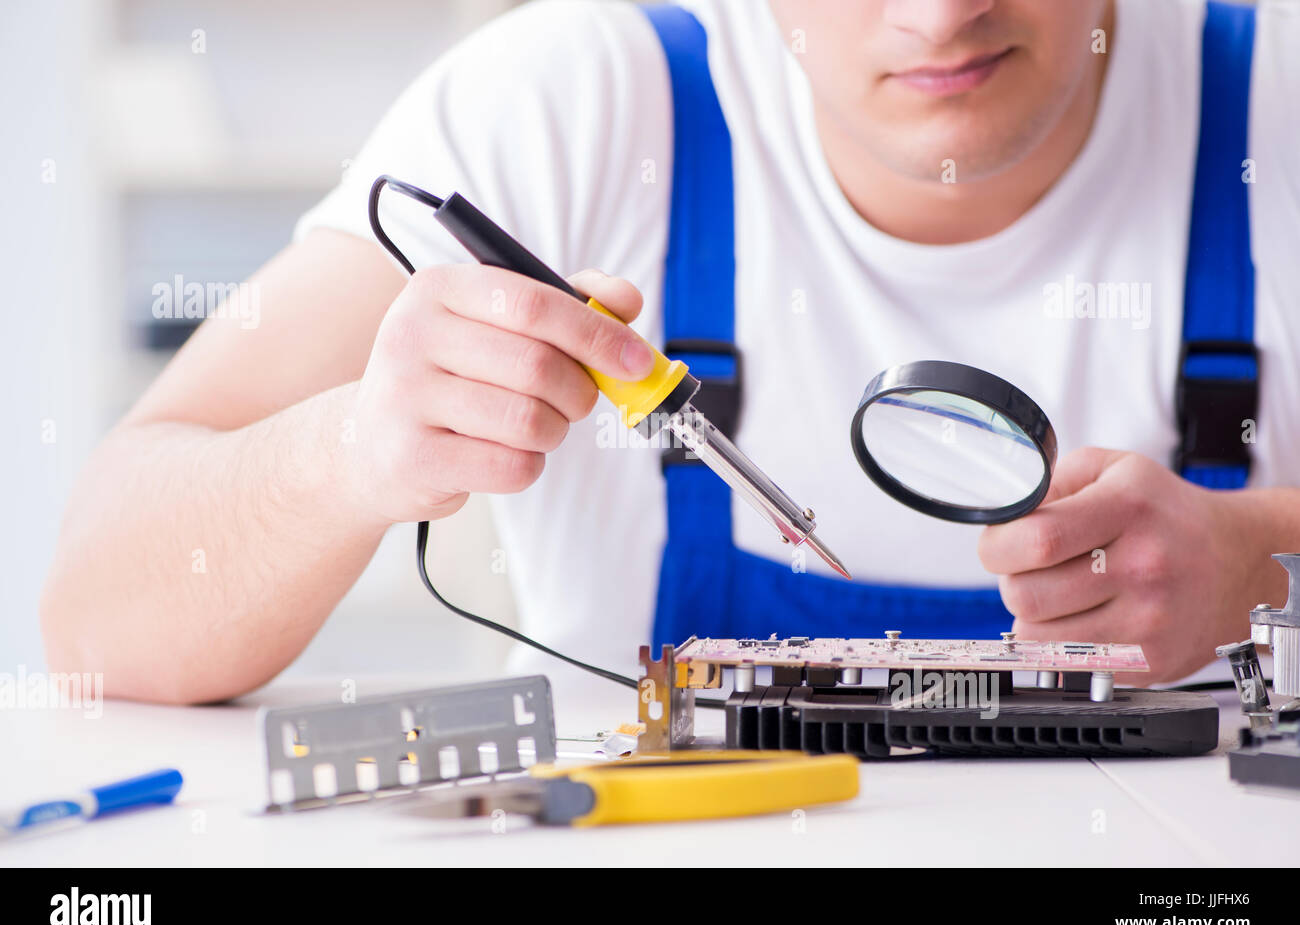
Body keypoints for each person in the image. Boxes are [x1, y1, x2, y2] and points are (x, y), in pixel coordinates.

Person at [40, 0, 1300, 704]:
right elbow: (97, 626)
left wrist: (1269, 555)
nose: (938, 15)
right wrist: (353, 456)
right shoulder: (565, 104)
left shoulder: (1275, 101)